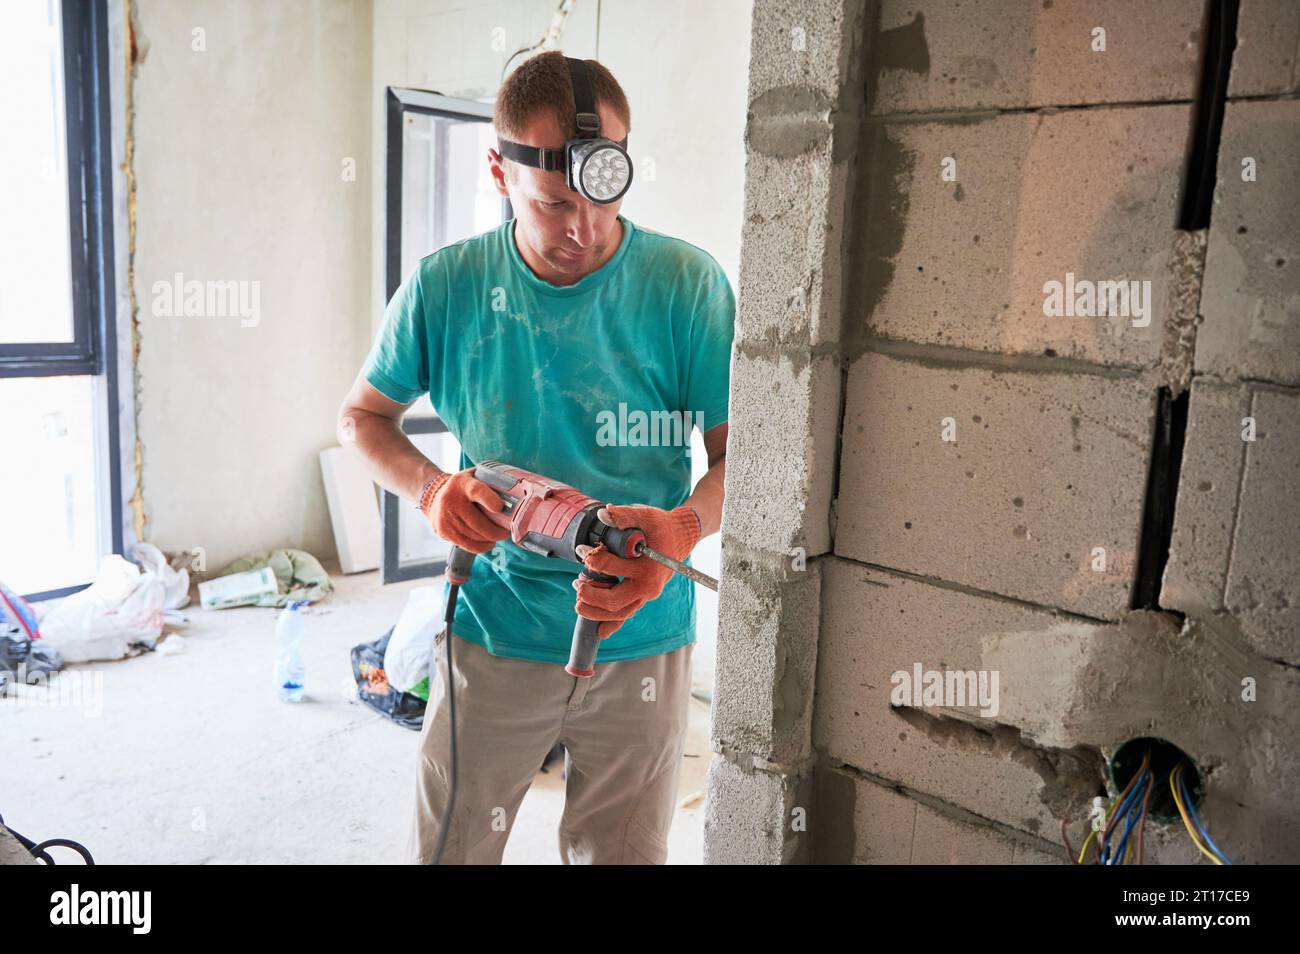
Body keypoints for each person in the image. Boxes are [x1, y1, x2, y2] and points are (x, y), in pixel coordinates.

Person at [337, 50, 734, 864]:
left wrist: (682, 529)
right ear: (499, 170)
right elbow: (363, 418)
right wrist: (431, 488)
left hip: (643, 638)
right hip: (494, 630)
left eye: (603, 197)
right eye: (553, 203)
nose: (582, 230)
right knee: (452, 849)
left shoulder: (687, 287)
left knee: (621, 854)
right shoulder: (447, 287)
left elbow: (742, 460)